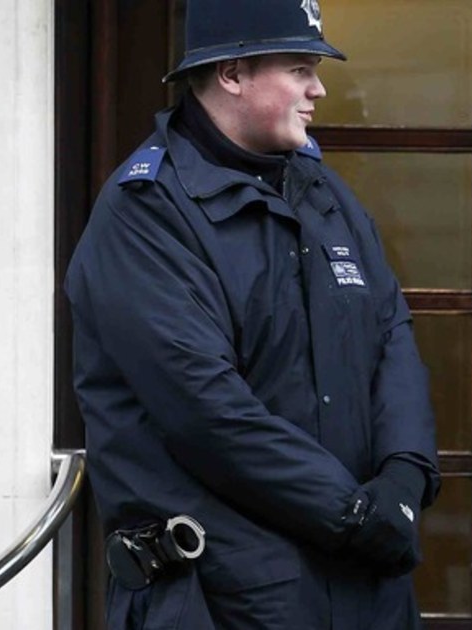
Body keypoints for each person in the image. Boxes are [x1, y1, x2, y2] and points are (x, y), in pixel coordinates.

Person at [64, 1, 440, 627]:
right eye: (298, 69)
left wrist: (404, 480)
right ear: (233, 73)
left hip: (366, 583)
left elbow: (391, 335)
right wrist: (351, 514)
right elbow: (205, 408)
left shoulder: (323, 193)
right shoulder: (146, 213)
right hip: (227, 597)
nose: (318, 89)